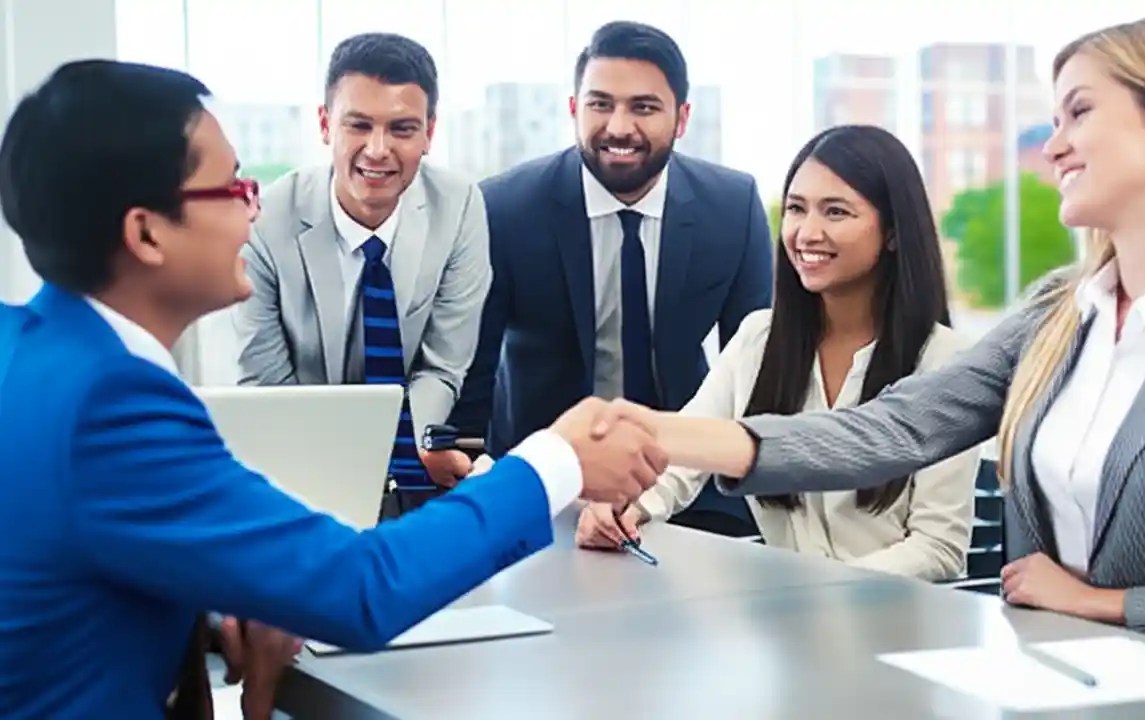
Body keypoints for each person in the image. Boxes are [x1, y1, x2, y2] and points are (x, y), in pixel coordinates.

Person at [588, 16, 1145, 660]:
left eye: (1080, 112)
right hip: (1055, 674)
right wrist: (649, 430)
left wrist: (1106, 605)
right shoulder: (1060, 313)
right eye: (1054, 120)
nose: (1054, 146)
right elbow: (891, 431)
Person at [0, 59, 663, 720]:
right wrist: (557, 459)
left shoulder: (26, 352)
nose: (253, 208)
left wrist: (218, 597)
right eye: (232, 189)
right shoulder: (112, 406)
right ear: (146, 232)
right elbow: (362, 587)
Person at [576, 126, 978, 581]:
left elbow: (938, 547)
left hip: (887, 614)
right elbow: (686, 454)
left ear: (892, 232)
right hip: (784, 613)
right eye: (796, 209)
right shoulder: (758, 339)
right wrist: (628, 506)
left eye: (836, 212)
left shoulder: (945, 361)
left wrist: (823, 593)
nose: (807, 233)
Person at [436, 21, 772, 532]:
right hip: (544, 478)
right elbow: (472, 370)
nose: (619, 127)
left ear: (682, 118)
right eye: (600, 104)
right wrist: (473, 476)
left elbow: (754, 372)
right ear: (574, 108)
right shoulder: (504, 209)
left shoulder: (732, 207)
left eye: (644, 107)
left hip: (688, 481)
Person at [230, 33, 489, 513]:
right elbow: (267, 386)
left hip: (409, 456)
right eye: (359, 125)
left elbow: (442, 367)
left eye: (402, 129)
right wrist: (353, 466)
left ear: (430, 133)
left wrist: (391, 458)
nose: (377, 149)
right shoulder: (265, 222)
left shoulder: (459, 207)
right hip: (297, 471)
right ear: (325, 124)